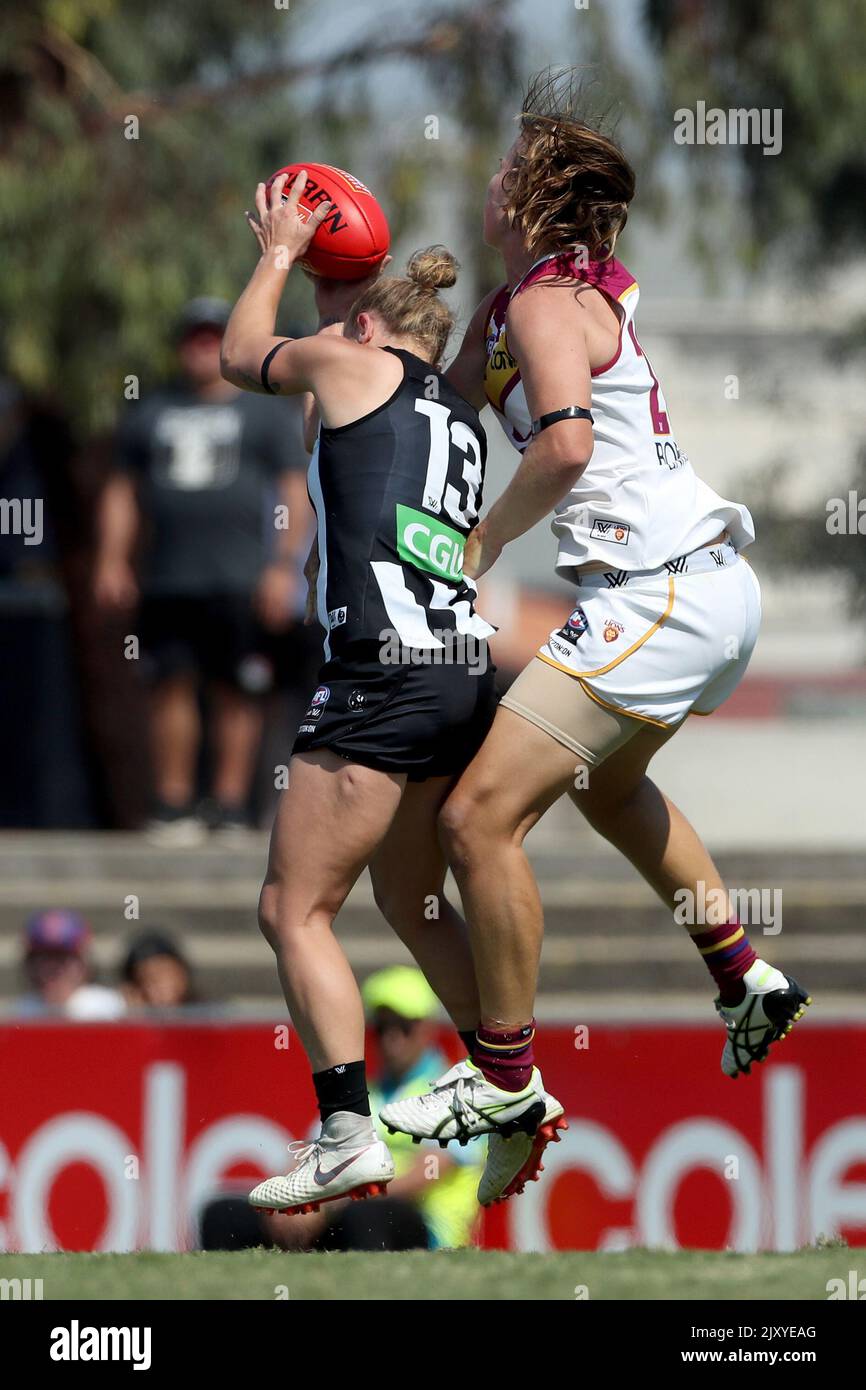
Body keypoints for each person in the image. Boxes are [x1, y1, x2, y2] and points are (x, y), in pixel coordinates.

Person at [380, 71, 811, 1203]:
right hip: (703, 592)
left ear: (530, 195)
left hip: (657, 590)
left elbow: (563, 445)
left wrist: (475, 544)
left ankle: (507, 1077)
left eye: (503, 167)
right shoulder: (521, 303)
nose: (484, 180)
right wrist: (349, 355)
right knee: (606, 790)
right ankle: (743, 973)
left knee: (477, 817)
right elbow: (431, 405)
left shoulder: (543, 304)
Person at [219, 171, 498, 1215]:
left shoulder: (349, 360)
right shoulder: (458, 415)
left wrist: (282, 249)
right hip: (456, 674)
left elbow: (240, 356)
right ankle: (503, 1075)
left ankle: (346, 1132)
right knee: (407, 898)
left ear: (369, 324)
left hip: (378, 676)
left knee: (291, 906)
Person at [93, 297, 314, 843]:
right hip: (169, 575)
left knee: (238, 686)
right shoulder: (149, 409)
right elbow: (122, 490)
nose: (201, 346)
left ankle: (232, 805)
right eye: (192, 336)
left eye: (211, 335)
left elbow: (295, 489)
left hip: (242, 576)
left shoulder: (263, 412)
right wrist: (111, 559)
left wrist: (283, 566)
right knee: (168, 683)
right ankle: (173, 806)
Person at [14, 911, 126, 1019]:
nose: (53, 968)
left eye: (62, 958)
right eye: (44, 958)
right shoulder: (22, 1012)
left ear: (83, 963)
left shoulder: (110, 1009)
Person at [121, 930, 196, 1010]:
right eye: (148, 980)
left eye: (165, 974)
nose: (160, 987)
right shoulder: (133, 1015)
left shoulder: (206, 1016)